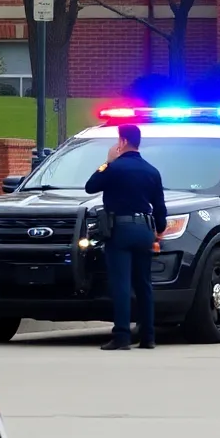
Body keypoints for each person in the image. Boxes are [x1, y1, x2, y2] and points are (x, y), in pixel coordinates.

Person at [84, 123, 167, 351]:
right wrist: (159, 230)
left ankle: (121, 336)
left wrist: (107, 162)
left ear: (121, 142)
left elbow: (90, 186)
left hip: (120, 230)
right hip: (144, 230)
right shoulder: (152, 171)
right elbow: (160, 207)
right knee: (144, 284)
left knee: (121, 284)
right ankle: (148, 336)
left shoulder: (114, 168)